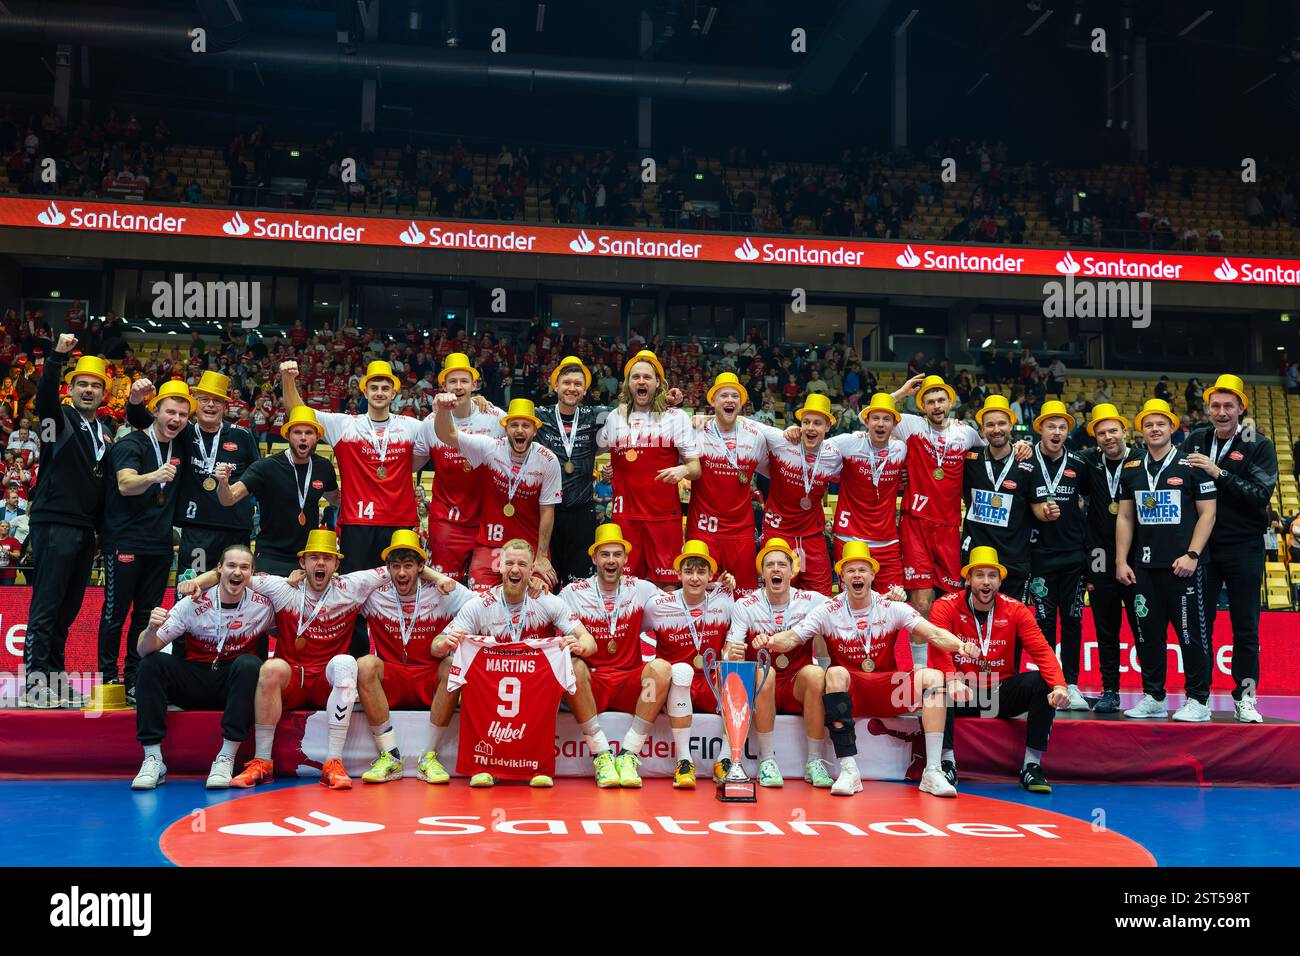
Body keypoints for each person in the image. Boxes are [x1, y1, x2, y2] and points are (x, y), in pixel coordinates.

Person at [181, 529, 452, 790]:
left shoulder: (352, 586)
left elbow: (404, 564)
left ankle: (333, 761)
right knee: (271, 667)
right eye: (313, 558)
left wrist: (438, 578)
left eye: (327, 558)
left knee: (347, 662)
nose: (320, 563)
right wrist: (197, 583)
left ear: (336, 564)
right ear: (302, 562)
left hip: (326, 680)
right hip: (292, 680)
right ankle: (263, 761)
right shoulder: (280, 587)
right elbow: (231, 574)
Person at [784, 541, 978, 797]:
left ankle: (932, 771)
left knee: (934, 676)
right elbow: (792, 638)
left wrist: (960, 646)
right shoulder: (827, 611)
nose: (857, 575)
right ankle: (849, 769)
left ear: (873, 575)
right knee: (833, 672)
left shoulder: (892, 606)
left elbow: (932, 633)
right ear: (841, 577)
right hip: (850, 691)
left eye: (862, 570)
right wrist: (766, 640)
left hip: (889, 689)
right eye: (851, 570)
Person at [281, 359, 428, 657]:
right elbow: (299, 413)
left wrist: (477, 406)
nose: (379, 391)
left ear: (394, 393)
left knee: (403, 594)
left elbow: (444, 430)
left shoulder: (411, 427)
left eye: (385, 387)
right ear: (365, 391)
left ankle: (398, 660)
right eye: (374, 386)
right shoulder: (344, 424)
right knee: (354, 598)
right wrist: (288, 379)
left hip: (399, 524)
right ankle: (357, 662)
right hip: (356, 524)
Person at [429, 539, 597, 788]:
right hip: (492, 695)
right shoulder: (479, 605)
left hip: (535, 691)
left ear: (532, 570)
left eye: (522, 564)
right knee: (448, 665)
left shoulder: (547, 601)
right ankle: (431, 754)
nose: (515, 569)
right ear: (499, 566)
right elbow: (435, 646)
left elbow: (589, 641)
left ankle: (595, 752)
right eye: (509, 563)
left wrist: (581, 646)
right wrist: (444, 644)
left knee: (578, 665)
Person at [890, 373, 1030, 661]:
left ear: (950, 402)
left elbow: (996, 446)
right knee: (922, 601)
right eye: (930, 401)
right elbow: (876, 413)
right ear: (922, 407)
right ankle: (920, 674)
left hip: (951, 527)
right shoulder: (912, 425)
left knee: (951, 601)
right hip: (916, 522)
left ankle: (948, 667)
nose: (937, 406)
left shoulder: (966, 434)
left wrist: (1019, 445)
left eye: (941, 400)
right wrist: (902, 392)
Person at [928, 546, 1070, 794]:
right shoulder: (945, 606)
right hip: (962, 692)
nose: (986, 582)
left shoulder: (1015, 609)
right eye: (979, 575)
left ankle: (1032, 766)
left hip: (999, 693)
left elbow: (1041, 650)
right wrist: (951, 680)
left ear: (1000, 580)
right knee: (934, 684)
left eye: (992, 576)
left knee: (1043, 683)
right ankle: (947, 762)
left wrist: (1060, 686)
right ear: (968, 579)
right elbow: (938, 648)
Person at [23, 335, 117, 707]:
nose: (89, 390)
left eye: (96, 386)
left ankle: (55, 679)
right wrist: (56, 357)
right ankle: (33, 683)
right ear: (71, 388)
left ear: (104, 393)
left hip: (84, 528)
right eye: (83, 384)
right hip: (54, 522)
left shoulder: (105, 432)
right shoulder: (57, 420)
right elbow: (45, 397)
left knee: (67, 607)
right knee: (46, 604)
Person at [130, 545, 273, 790]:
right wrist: (152, 629)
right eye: (230, 565)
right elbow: (143, 649)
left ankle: (226, 758)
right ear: (219, 569)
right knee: (151, 663)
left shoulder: (264, 606)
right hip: (194, 679)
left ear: (252, 574)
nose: (237, 572)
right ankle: (153, 759)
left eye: (244, 567)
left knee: (250, 664)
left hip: (233, 686)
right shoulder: (193, 603)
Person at [1182, 374, 1278, 722]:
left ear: (1241, 408)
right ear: (1207, 408)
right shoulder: (1196, 438)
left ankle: (1246, 697)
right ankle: (1198, 699)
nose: (1221, 412)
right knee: (1198, 624)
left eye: (1228, 406)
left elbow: (1260, 495)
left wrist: (1218, 472)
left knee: (1246, 626)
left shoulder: (1259, 444)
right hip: (1202, 547)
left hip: (1244, 546)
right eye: (1215, 405)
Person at [1115, 399, 1217, 721]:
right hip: (1144, 568)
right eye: (1148, 424)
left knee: (1190, 635)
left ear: (1173, 428)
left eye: (1161, 424)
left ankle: (1199, 701)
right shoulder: (1131, 469)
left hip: (1183, 568)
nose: (1155, 429)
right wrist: (1121, 561)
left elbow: (1208, 513)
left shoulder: (1192, 465)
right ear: (1141, 430)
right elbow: (1126, 518)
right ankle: (1154, 697)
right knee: (1147, 635)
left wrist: (1192, 554)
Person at [99, 379, 195, 705]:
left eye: (183, 414)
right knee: (115, 613)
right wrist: (155, 476)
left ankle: (135, 679)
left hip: (159, 545)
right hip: (125, 541)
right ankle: (107, 676)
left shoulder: (180, 445)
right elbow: (125, 485)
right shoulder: (130, 444)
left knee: (146, 616)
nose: (177, 418)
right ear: (156, 411)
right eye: (171, 411)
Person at [354, 530, 477, 784]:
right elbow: (337, 585)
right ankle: (389, 756)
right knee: (365, 664)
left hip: (429, 677)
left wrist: (435, 576)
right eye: (396, 566)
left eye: (409, 566)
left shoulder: (442, 592)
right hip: (392, 677)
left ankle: (429, 757)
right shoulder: (374, 593)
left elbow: (482, 604)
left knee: (453, 664)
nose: (401, 573)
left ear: (421, 567)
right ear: (387, 568)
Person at [557, 523, 663, 787]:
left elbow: (681, 603)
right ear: (594, 558)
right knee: (572, 665)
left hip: (630, 684)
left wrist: (716, 586)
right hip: (593, 685)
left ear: (626, 558)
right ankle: (601, 753)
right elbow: (547, 613)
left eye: (617, 554)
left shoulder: (643, 589)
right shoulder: (573, 593)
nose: (611, 560)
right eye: (605, 555)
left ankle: (629, 753)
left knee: (661, 669)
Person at [127, 370, 260, 579]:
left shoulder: (242, 436)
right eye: (204, 399)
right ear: (195, 403)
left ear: (225, 406)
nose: (210, 405)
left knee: (234, 590)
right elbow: (142, 420)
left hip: (235, 528)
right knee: (190, 590)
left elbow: (257, 477)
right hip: (196, 528)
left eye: (217, 400)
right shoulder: (182, 432)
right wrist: (135, 399)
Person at [724, 538, 831, 788]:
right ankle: (767, 760)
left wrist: (891, 597)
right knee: (764, 672)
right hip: (763, 685)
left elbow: (849, 604)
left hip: (796, 682)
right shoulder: (746, 605)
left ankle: (815, 762)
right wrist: (735, 651)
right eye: (769, 564)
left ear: (792, 570)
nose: (775, 569)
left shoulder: (811, 600)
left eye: (782, 564)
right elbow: (730, 652)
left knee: (816, 674)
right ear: (762, 572)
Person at [431, 392, 561, 587]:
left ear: (535, 431)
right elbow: (447, 434)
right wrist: (443, 410)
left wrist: (542, 556)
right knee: (480, 603)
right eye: (514, 425)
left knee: (537, 602)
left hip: (530, 547)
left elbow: (547, 511)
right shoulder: (489, 448)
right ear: (505, 428)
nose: (520, 430)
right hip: (489, 545)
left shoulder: (548, 461)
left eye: (526, 425)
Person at [596, 350, 701, 585]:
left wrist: (682, 470)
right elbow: (595, 451)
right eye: (635, 377)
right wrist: (607, 472)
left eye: (647, 377)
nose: (641, 381)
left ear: (658, 383)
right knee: (624, 586)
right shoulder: (614, 417)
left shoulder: (676, 417)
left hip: (663, 517)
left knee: (667, 586)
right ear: (628, 384)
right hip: (625, 518)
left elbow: (696, 468)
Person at [638, 539, 736, 789]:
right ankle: (684, 761)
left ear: (711, 575)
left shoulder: (725, 599)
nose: (694, 578)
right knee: (680, 671)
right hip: (675, 684)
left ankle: (726, 759)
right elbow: (632, 632)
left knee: (736, 671)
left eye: (701, 572)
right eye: (689, 571)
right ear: (678, 573)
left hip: (710, 681)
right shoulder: (657, 606)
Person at [215, 405, 338, 576]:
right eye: (297, 433)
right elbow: (228, 499)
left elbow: (336, 500)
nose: (303, 438)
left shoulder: (324, 467)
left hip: (306, 555)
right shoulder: (266, 467)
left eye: (309, 433)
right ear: (288, 435)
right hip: (270, 555)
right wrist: (223, 483)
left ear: (317, 437)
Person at [1026, 400, 1092, 711]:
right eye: (1050, 426)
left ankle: (1073, 684)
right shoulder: (1024, 461)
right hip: (1038, 556)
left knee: (1073, 621)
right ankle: (1049, 683)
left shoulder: (1079, 463)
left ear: (1068, 431)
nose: (1056, 431)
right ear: (1039, 428)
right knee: (1043, 624)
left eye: (1062, 427)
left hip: (1073, 558)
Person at [1077, 403, 1142, 714]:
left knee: (1145, 625)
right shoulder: (1088, 461)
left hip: (1137, 555)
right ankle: (1110, 690)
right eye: (1101, 432)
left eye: (1113, 430)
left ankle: (1152, 693)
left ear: (1124, 431)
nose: (1108, 436)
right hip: (1100, 555)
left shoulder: (1143, 460)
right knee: (1106, 627)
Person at [421, 352, 503, 582]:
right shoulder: (430, 423)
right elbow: (413, 463)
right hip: (446, 520)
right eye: (453, 381)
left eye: (464, 381)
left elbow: (522, 437)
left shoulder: (494, 417)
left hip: (487, 520)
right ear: (443, 385)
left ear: (474, 385)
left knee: (484, 587)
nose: (458, 386)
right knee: (444, 586)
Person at [750, 393, 843, 594]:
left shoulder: (834, 456)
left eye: (817, 423)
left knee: (822, 598)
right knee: (777, 597)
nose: (810, 428)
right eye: (806, 422)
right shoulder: (781, 440)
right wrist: (705, 419)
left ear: (828, 426)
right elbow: (743, 423)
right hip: (778, 533)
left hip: (812, 536)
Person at [533, 356, 614, 585]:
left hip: (582, 513)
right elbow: (506, 419)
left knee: (579, 585)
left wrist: (665, 400)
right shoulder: (539, 415)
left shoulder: (597, 415)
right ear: (555, 385)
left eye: (578, 384)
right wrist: (480, 401)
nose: (572, 388)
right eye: (567, 382)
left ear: (585, 389)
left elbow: (633, 413)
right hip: (547, 513)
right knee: (546, 582)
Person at [687, 373, 767, 589]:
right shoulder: (696, 431)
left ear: (741, 403)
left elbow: (772, 472)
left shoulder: (755, 436)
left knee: (744, 594)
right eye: (724, 395)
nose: (730, 400)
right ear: (713, 401)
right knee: (702, 593)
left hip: (740, 531)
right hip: (703, 529)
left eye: (735, 396)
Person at [826, 392, 908, 594]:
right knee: (853, 606)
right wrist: (794, 431)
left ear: (894, 425)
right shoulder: (849, 442)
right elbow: (814, 443)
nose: (880, 424)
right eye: (875, 418)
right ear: (866, 421)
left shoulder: (901, 448)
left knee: (893, 603)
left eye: (886, 419)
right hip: (850, 538)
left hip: (887, 540)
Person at [961, 394, 1035, 603]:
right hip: (976, 556)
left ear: (1011, 425)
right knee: (972, 622)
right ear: (982, 429)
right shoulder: (970, 458)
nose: (996, 429)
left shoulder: (1027, 462)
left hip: (1014, 557)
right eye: (990, 425)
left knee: (1011, 625)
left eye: (1002, 423)